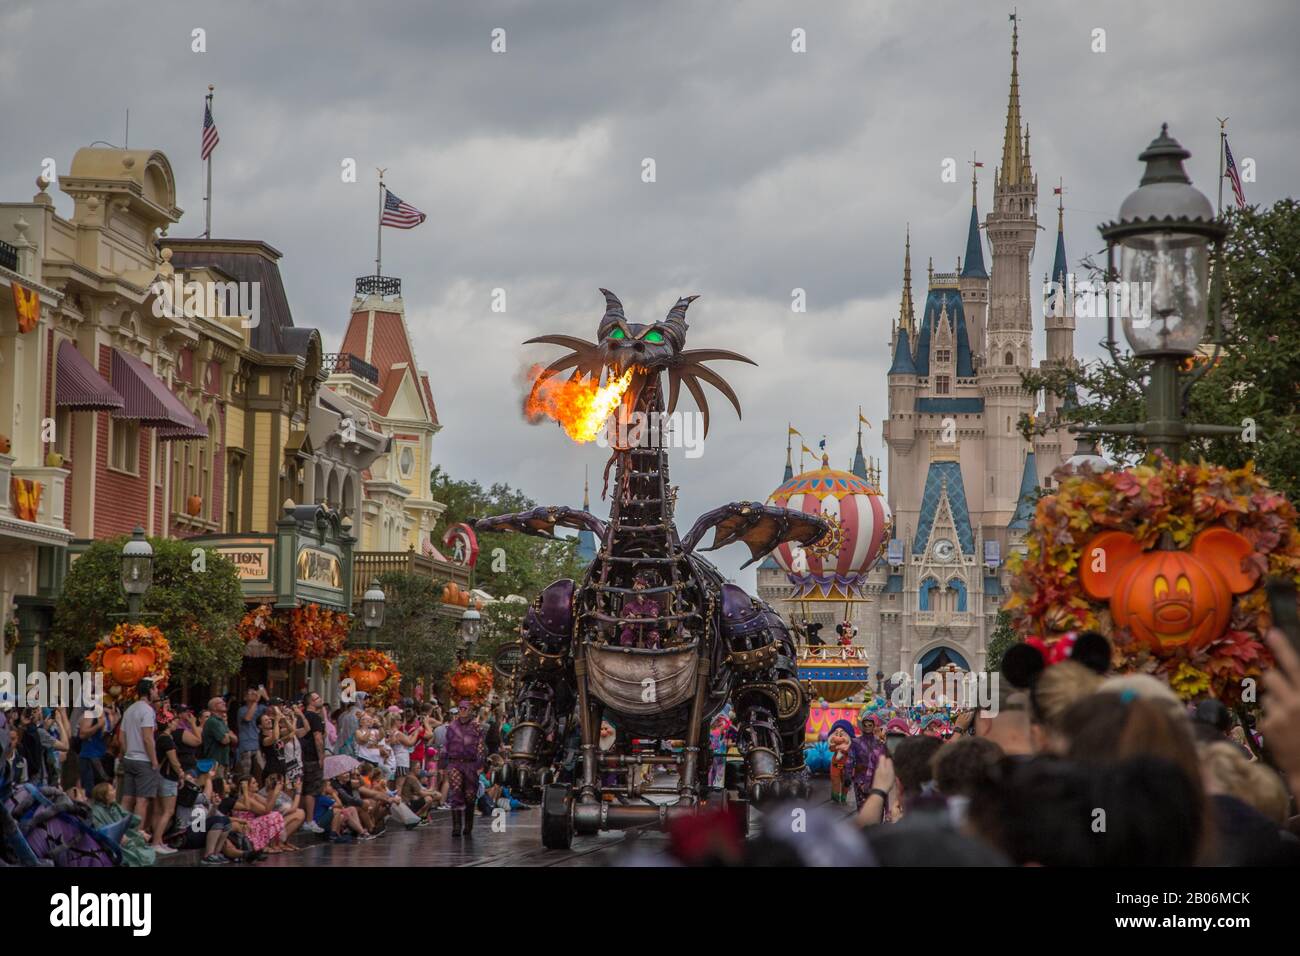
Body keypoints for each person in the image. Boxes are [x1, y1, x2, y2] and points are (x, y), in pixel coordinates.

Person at [118, 678, 161, 838]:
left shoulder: (129, 710)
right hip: (144, 760)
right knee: (142, 800)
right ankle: (137, 834)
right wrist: (154, 760)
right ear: (149, 690)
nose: (157, 692)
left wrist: (127, 752)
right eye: (155, 689)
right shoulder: (148, 711)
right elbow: (148, 738)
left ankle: (120, 831)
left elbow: (121, 738)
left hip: (129, 758)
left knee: (127, 797)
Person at [439, 699, 485, 836]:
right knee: (456, 791)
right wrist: (442, 764)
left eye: (465, 708)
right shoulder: (452, 726)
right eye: (460, 708)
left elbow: (481, 747)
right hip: (455, 763)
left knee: (470, 795)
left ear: (470, 710)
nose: (462, 711)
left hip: (471, 763)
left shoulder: (477, 727)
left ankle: (468, 825)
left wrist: (480, 765)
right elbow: (446, 745)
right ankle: (457, 826)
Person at [149, 708, 183, 855]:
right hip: (168, 778)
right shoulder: (167, 740)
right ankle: (156, 842)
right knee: (168, 811)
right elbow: (173, 761)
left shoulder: (158, 737)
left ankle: (158, 841)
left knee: (157, 810)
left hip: (157, 776)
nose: (177, 723)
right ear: (168, 723)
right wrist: (181, 773)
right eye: (175, 720)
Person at [299, 692, 327, 833]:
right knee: (311, 789)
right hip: (312, 758)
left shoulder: (303, 716)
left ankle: (304, 818)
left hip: (303, 757)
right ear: (311, 702)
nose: (321, 700)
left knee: (304, 789)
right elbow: (318, 738)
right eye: (318, 698)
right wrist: (321, 756)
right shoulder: (313, 717)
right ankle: (309, 820)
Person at [77, 701, 116, 794]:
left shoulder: (108, 716)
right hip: (88, 757)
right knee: (89, 791)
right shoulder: (91, 714)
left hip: (101, 757)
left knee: (102, 791)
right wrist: (98, 726)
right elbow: (82, 734)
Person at [201, 697, 238, 776]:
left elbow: (235, 739)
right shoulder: (213, 721)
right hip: (215, 763)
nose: (224, 703)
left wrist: (227, 734)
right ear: (214, 707)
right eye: (221, 702)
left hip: (224, 761)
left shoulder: (221, 721)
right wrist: (228, 734)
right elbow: (225, 740)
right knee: (217, 786)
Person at [236, 686, 268, 776]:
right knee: (246, 773)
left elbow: (272, 711)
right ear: (245, 697)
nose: (254, 694)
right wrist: (256, 701)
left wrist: (266, 697)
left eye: (255, 692)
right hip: (246, 745)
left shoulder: (260, 707)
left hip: (257, 744)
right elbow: (248, 718)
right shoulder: (242, 710)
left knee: (261, 771)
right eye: (251, 693)